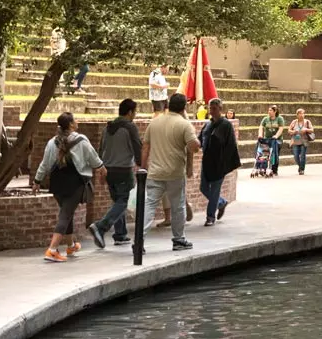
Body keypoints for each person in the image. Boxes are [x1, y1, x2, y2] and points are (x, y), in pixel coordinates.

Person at [35, 111, 102, 263]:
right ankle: (52, 250)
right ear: (71, 124)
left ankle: (71, 245)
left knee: (67, 212)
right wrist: (102, 167)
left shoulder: (52, 142)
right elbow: (94, 160)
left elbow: (44, 164)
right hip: (74, 183)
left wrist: (37, 180)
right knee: (65, 215)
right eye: (75, 120)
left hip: (57, 183)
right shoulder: (81, 140)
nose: (77, 121)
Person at [141, 91, 199, 251]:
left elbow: (145, 146)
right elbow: (194, 146)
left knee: (149, 206)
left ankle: (139, 240)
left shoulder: (155, 122)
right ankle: (179, 239)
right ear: (184, 107)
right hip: (175, 173)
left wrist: (143, 167)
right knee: (178, 206)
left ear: (168, 105)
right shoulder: (185, 124)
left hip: (155, 172)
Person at [89, 99, 142, 247]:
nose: (135, 115)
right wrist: (141, 164)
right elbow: (137, 147)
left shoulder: (107, 128)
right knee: (123, 201)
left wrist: (101, 170)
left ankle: (120, 234)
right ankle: (101, 226)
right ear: (130, 112)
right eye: (134, 112)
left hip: (108, 169)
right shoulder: (130, 128)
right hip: (124, 170)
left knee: (117, 201)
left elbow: (101, 149)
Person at [199, 97, 240, 226]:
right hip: (206, 162)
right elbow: (200, 140)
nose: (211, 111)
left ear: (220, 109)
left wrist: (225, 163)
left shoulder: (226, 125)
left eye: (214, 108)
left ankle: (210, 217)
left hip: (219, 163)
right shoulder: (208, 124)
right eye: (210, 108)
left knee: (215, 190)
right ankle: (221, 203)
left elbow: (231, 145)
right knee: (203, 188)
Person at [258, 105, 286, 177]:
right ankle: (264, 168)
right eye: (268, 110)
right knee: (265, 154)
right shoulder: (265, 119)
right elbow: (261, 127)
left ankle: (274, 170)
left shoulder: (279, 119)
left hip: (277, 140)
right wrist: (260, 134)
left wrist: (276, 136)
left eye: (270, 110)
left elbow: (281, 128)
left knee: (274, 154)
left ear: (275, 111)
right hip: (267, 139)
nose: (269, 112)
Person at [288, 108, 314, 174]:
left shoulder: (307, 121)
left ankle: (302, 169)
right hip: (295, 141)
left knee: (302, 155)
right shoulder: (294, 122)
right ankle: (300, 166)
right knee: (296, 156)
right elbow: (289, 131)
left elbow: (312, 130)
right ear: (297, 115)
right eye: (300, 114)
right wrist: (294, 131)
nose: (301, 115)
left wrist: (306, 129)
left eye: (303, 113)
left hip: (304, 141)